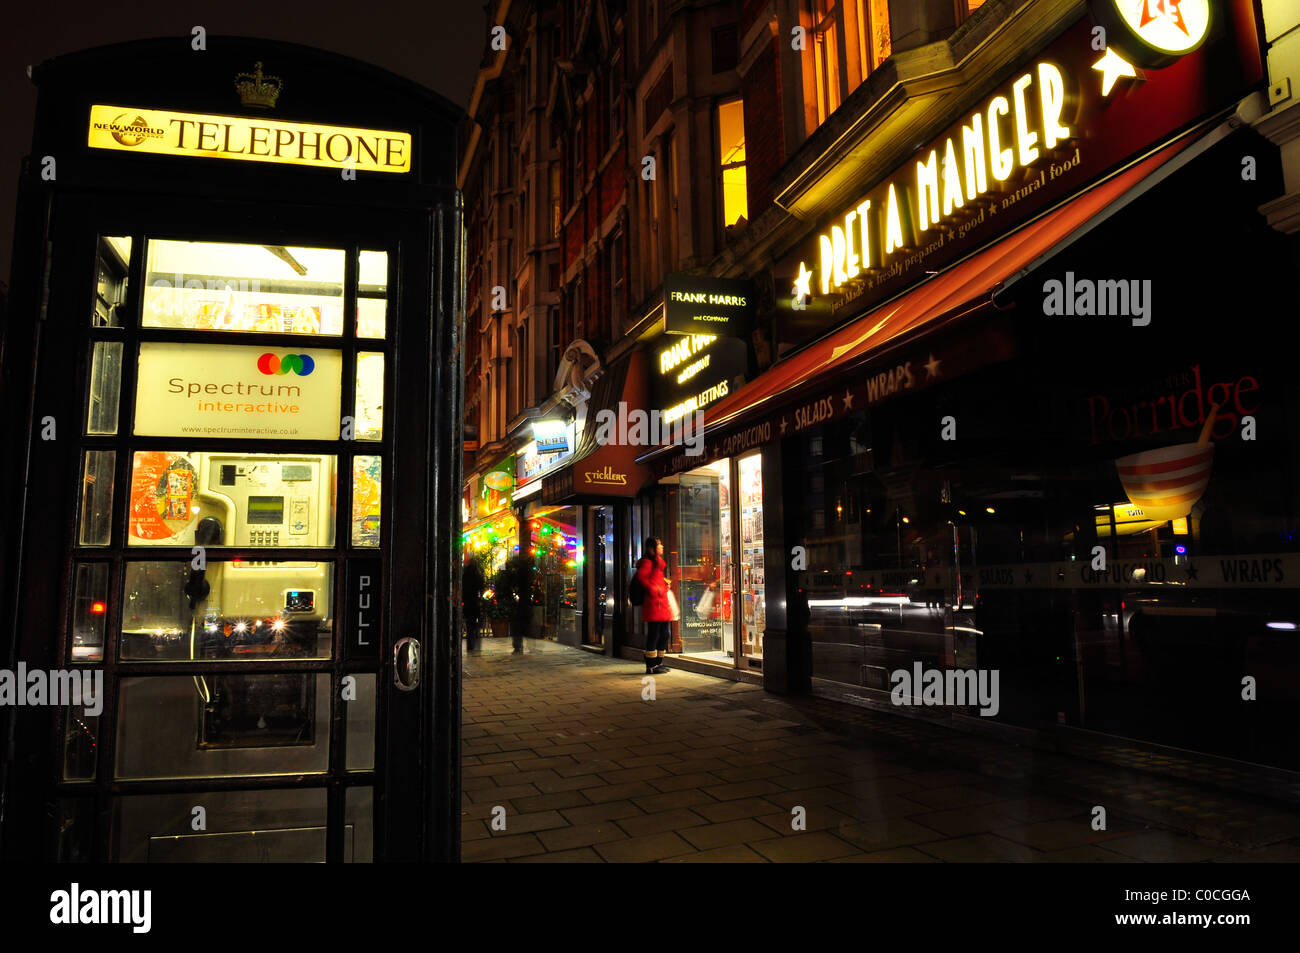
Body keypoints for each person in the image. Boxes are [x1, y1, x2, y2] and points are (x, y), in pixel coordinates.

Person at [637, 536, 673, 674]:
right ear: (653, 548)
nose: (662, 546)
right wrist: (655, 589)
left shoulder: (658, 563)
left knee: (664, 633)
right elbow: (642, 578)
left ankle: (658, 663)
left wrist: (664, 585)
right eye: (659, 545)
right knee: (655, 634)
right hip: (654, 605)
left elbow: (656, 579)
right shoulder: (647, 562)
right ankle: (651, 666)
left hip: (661, 604)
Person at [462, 555, 485, 655]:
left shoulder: (465, 574)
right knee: (475, 623)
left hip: (467, 602)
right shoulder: (477, 574)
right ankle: (475, 642)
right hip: (474, 601)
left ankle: (469, 645)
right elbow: (481, 586)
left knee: (469, 624)